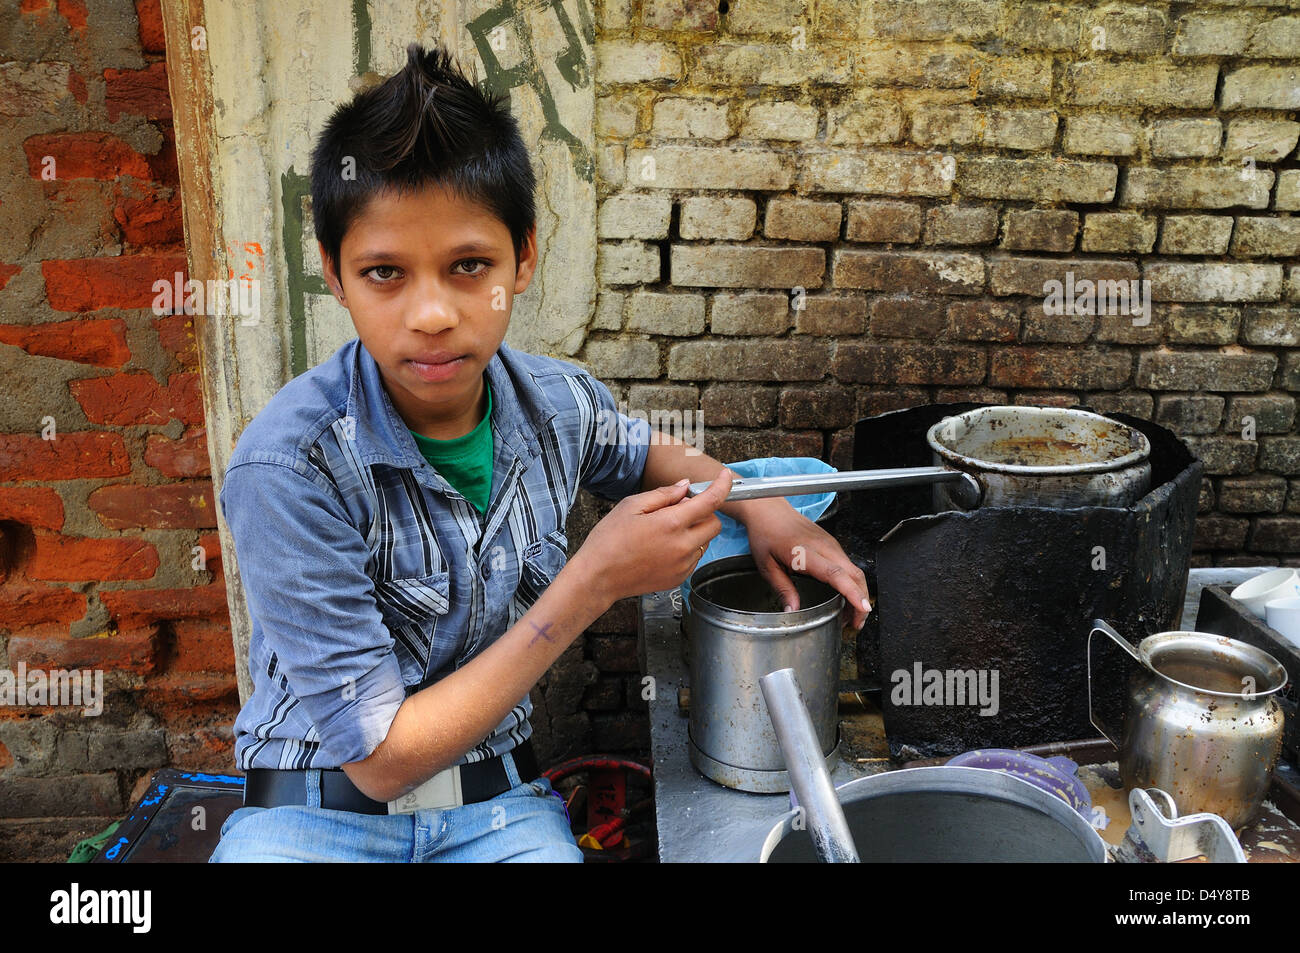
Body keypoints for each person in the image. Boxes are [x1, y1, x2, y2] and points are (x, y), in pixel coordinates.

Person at [209, 41, 871, 863]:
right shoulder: (290, 466)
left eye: (468, 266)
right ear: (334, 276)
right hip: (312, 815)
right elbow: (379, 760)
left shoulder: (559, 404)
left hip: (499, 813)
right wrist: (591, 582)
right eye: (384, 272)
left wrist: (762, 509)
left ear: (522, 257)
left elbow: (655, 454)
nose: (431, 313)